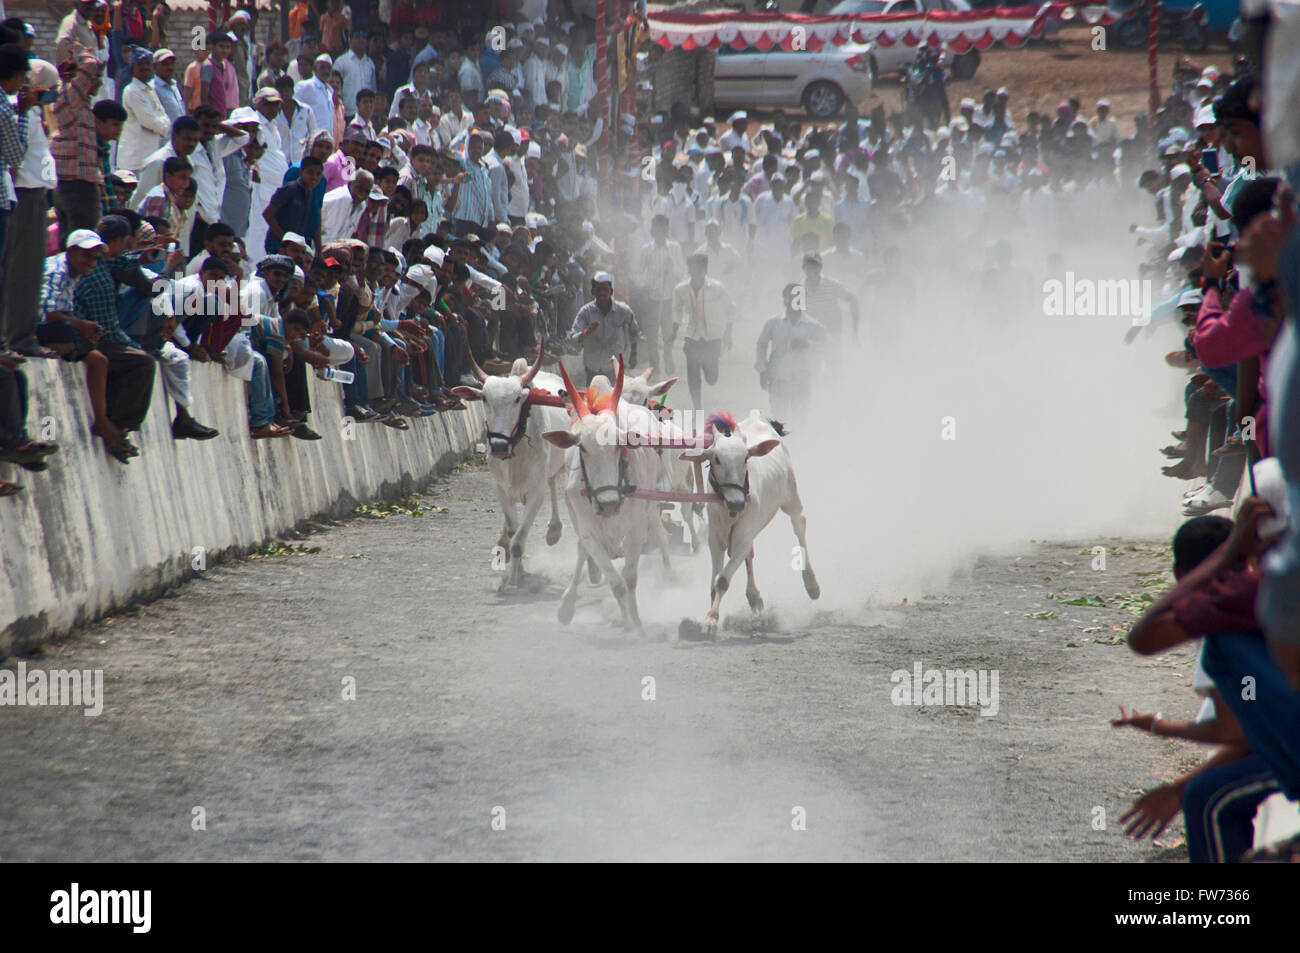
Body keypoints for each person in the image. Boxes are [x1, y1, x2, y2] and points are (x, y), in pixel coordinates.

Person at [756, 282, 829, 424]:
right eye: (791, 297)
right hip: (778, 377)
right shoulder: (773, 323)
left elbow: (826, 347)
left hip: (802, 378)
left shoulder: (814, 326)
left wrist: (808, 344)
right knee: (779, 418)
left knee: (800, 417)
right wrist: (762, 369)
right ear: (784, 299)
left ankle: (800, 443)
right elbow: (761, 345)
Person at [669, 252, 733, 409]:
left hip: (712, 337)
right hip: (692, 336)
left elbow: (730, 309)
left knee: (712, 378)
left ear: (704, 269)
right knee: (692, 371)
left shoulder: (717, 288)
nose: (694, 272)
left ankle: (708, 364)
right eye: (691, 268)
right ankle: (697, 406)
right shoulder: (681, 289)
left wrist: (728, 333)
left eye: (698, 268)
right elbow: (676, 310)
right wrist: (675, 329)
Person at [569, 272, 638, 386]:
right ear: (593, 292)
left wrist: (634, 354)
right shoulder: (585, 312)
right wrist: (585, 333)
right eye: (599, 290)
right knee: (593, 401)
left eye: (605, 289)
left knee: (616, 401)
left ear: (611, 291)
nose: (602, 293)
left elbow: (634, 331)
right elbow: (573, 337)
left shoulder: (623, 310)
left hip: (615, 367)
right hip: (593, 367)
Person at [117, 48, 168, 173]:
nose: (144, 67)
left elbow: (163, 114)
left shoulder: (150, 89)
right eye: (140, 64)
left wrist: (163, 125)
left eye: (147, 63)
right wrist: (164, 128)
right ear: (132, 67)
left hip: (149, 157)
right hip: (134, 160)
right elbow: (148, 120)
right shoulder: (132, 90)